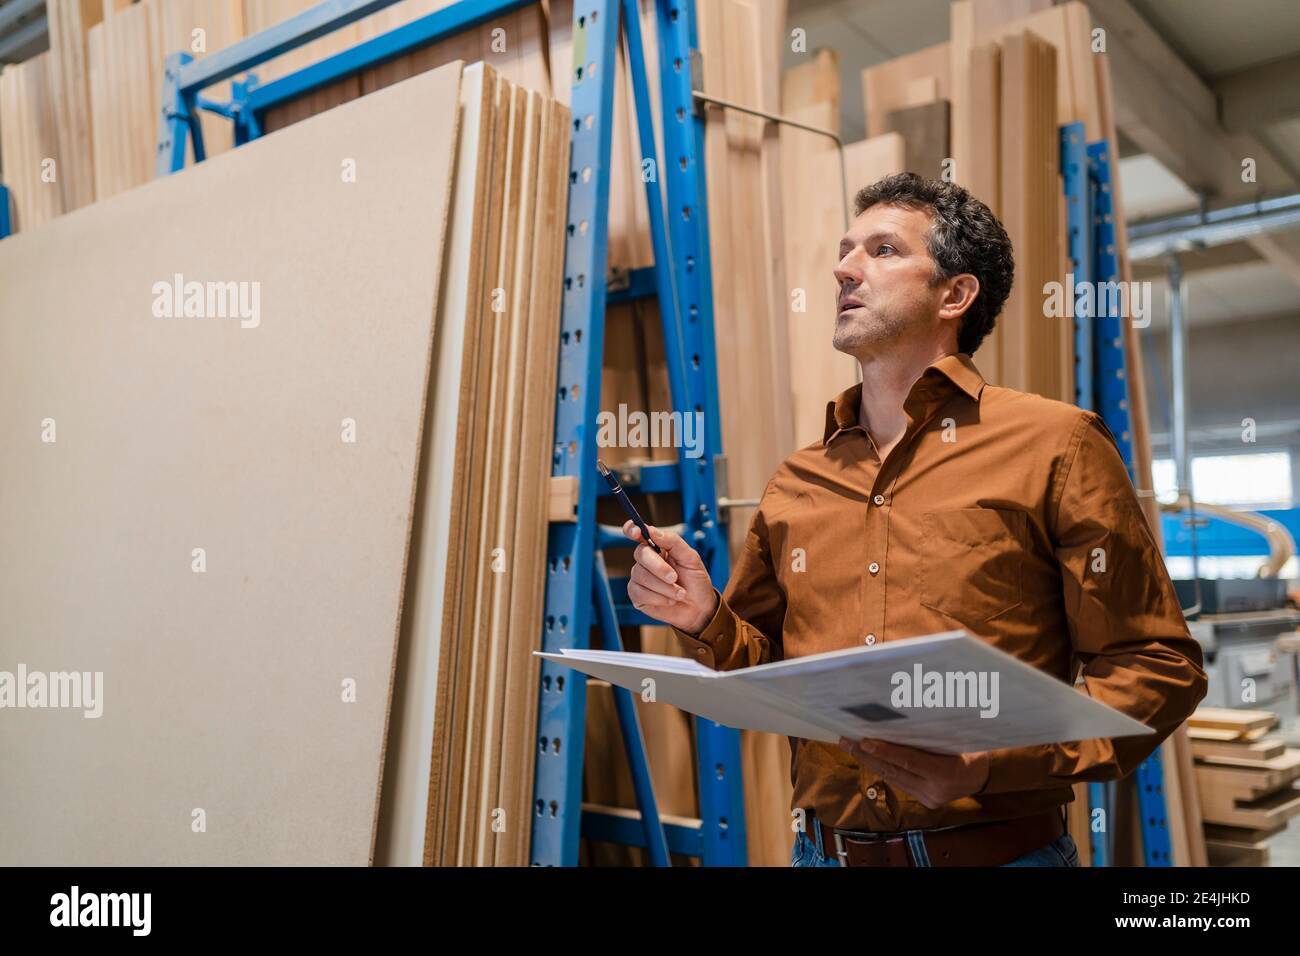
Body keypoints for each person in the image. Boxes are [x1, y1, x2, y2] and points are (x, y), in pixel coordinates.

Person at [621, 172, 1207, 868]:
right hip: (825, 854)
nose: (844, 267)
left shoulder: (1057, 444)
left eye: (883, 249)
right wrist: (702, 617)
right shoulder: (798, 481)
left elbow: (1158, 665)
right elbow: (769, 677)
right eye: (845, 249)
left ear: (955, 295)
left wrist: (994, 763)